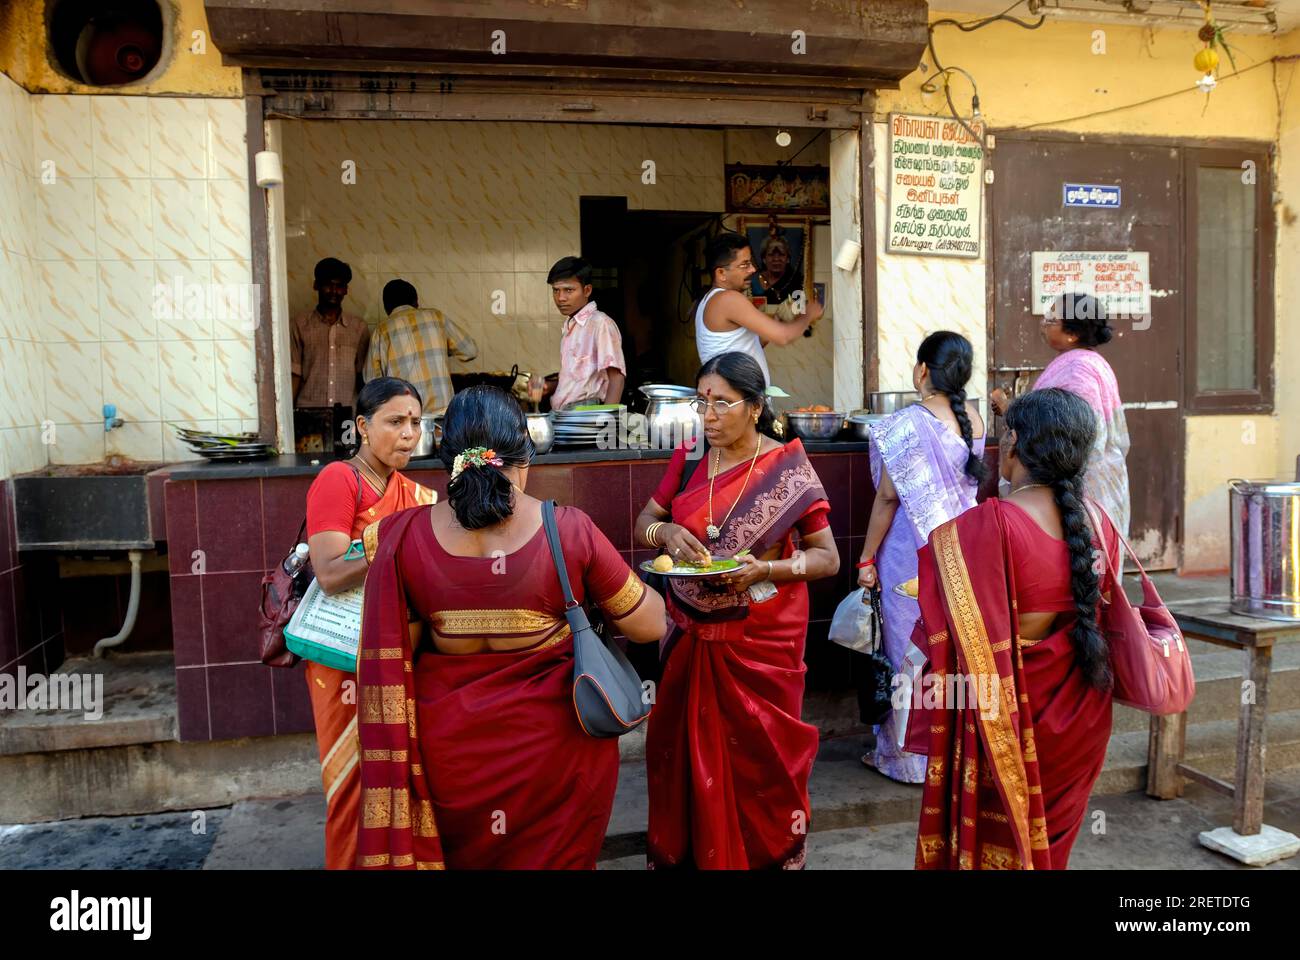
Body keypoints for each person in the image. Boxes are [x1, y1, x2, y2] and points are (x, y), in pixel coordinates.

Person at [354, 386, 666, 869]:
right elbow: (648, 627)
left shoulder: (403, 536)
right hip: (556, 756)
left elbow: (403, 653)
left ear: (444, 451)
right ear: (524, 451)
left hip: (452, 757)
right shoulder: (568, 530)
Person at [633, 351, 840, 869]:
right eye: (701, 401)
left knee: (759, 762)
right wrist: (666, 532)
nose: (707, 416)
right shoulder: (688, 456)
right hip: (688, 635)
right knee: (680, 754)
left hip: (758, 643)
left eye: (721, 404)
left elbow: (826, 558)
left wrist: (765, 571)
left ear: (754, 407)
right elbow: (642, 524)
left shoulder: (787, 466)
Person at [912, 388, 1121, 870]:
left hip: (1009, 716)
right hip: (1082, 717)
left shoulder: (996, 523)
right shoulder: (1099, 522)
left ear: (1014, 443)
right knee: (1049, 852)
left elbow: (945, 612)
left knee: (1002, 844)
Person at [302, 377, 437, 870]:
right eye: (395, 422)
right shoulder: (340, 480)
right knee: (351, 788)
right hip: (343, 659)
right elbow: (331, 572)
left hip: (396, 653)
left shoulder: (414, 493)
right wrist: (397, 537)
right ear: (362, 427)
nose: (409, 434)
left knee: (397, 776)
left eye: (416, 423)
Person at [857, 332, 986, 783]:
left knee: (905, 649)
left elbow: (888, 499)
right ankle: (948, 755)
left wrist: (866, 557)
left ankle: (906, 759)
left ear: (922, 370)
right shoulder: (974, 418)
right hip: (961, 554)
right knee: (947, 651)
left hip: (909, 556)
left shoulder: (907, 423)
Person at [990, 292, 1131, 536]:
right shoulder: (1087, 362)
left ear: (1072, 333)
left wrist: (1011, 410)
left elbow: (1068, 434)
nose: (1043, 323)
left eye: (1051, 319)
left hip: (1084, 492)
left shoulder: (1079, 371)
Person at [695, 233, 821, 388]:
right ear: (721, 273)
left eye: (751, 263)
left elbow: (747, 345)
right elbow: (783, 337)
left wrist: (777, 319)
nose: (753, 269)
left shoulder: (711, 300)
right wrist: (808, 314)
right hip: (735, 400)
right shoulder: (728, 299)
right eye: (745, 264)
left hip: (733, 397)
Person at [366, 278, 478, 417]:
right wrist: (441, 349)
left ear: (386, 308)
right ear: (416, 302)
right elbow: (470, 350)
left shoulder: (381, 331)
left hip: (406, 418)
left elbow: (370, 381)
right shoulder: (436, 317)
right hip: (443, 416)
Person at [546, 256, 627, 411]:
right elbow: (581, 380)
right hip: (564, 415)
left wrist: (605, 421)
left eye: (568, 290)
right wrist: (550, 386)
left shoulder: (600, 324)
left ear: (587, 290)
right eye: (556, 290)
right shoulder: (571, 326)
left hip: (586, 416)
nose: (560, 298)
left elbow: (617, 378)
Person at [291, 257, 370, 412]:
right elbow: (295, 374)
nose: (334, 291)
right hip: (308, 412)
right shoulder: (299, 325)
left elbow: (362, 377)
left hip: (347, 412)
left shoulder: (358, 328)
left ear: (346, 290)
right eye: (328, 284)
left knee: (346, 438)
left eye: (339, 286)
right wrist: (287, 413)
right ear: (316, 285)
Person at [750, 234, 804, 304]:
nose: (776, 259)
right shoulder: (753, 282)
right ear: (764, 259)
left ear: (788, 259)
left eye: (781, 254)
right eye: (771, 255)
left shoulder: (797, 281)